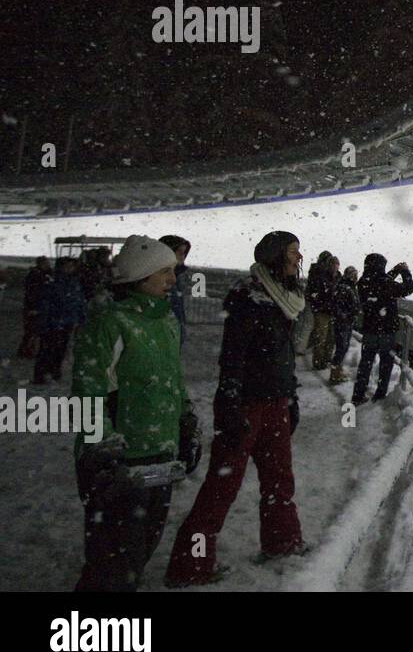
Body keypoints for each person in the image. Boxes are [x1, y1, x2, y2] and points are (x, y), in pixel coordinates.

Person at [165, 231, 308, 587]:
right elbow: (233, 355)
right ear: (276, 256)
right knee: (221, 488)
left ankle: (283, 544)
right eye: (293, 252)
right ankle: (190, 565)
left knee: (279, 480)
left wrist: (291, 396)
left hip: (276, 402)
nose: (298, 258)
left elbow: (283, 357)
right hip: (245, 404)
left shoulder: (285, 298)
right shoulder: (249, 296)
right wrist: (229, 401)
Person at [70, 235, 200, 591]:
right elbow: (88, 390)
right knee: (111, 563)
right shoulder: (110, 323)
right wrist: (101, 447)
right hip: (121, 460)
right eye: (164, 272)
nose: (173, 280)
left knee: (138, 552)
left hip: (159, 453)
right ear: (140, 278)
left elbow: (171, 379)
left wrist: (185, 420)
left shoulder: (166, 321)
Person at [351, 254, 413, 405]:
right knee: (386, 364)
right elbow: (408, 288)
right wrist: (405, 271)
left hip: (369, 330)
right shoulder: (386, 283)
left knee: (365, 364)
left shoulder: (362, 282)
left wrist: (395, 270)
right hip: (387, 331)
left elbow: (380, 280)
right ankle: (380, 394)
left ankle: (358, 395)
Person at [34, 256, 87, 384]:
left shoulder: (74, 282)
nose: (70, 269)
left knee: (61, 349)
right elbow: (45, 304)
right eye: (67, 266)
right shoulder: (53, 282)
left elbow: (79, 302)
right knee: (46, 349)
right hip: (53, 322)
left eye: (72, 266)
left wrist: (81, 319)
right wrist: (42, 323)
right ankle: (41, 374)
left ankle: (55, 371)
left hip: (67, 322)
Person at [305, 250, 337, 371]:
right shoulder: (320, 272)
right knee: (323, 337)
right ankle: (320, 362)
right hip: (324, 308)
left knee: (324, 336)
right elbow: (324, 288)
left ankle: (322, 360)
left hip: (323, 308)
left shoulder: (318, 271)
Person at [329, 265, 359, 386]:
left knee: (343, 347)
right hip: (343, 323)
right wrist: (345, 317)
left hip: (346, 322)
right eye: (354, 275)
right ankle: (335, 374)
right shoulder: (344, 287)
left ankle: (337, 370)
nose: (356, 277)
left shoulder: (349, 287)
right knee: (341, 347)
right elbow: (338, 306)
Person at [158, 235, 191, 348]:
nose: (183, 256)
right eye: (179, 252)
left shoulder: (177, 277)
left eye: (184, 252)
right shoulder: (157, 279)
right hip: (162, 339)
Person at [18, 256, 53, 359]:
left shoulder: (43, 275)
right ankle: (27, 350)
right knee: (32, 330)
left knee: (34, 330)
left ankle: (28, 350)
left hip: (38, 306)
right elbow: (32, 293)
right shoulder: (35, 276)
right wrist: (33, 307)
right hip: (34, 307)